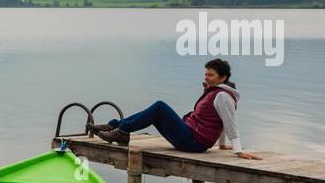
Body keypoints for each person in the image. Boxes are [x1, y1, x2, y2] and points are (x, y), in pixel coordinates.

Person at [90, 59, 261, 159]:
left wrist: (238, 151)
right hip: (190, 136)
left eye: (211, 75)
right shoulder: (215, 92)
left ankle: (120, 131)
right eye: (206, 74)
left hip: (194, 142)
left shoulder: (223, 96)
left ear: (223, 77)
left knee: (159, 106)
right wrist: (222, 145)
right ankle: (115, 127)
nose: (206, 77)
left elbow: (229, 122)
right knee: (156, 112)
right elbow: (220, 120)